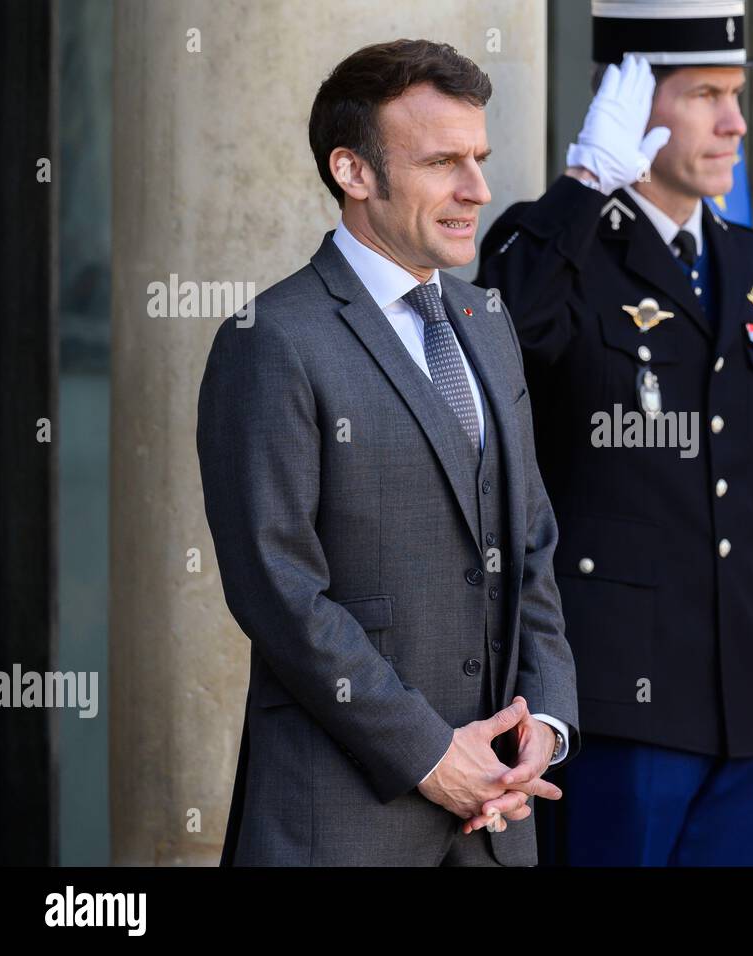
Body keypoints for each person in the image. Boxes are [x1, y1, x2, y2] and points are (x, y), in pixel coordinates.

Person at [197, 38, 578, 866]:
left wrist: (544, 721)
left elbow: (531, 544)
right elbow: (279, 590)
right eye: (444, 161)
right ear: (354, 172)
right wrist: (433, 756)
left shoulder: (488, 321)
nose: (477, 189)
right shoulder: (272, 341)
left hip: (498, 821)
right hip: (339, 824)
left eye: (478, 158)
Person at [476, 0, 753, 866]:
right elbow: (497, 344)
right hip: (614, 690)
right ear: (626, 102)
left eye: (737, 94)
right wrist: (586, 182)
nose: (735, 121)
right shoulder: (552, 245)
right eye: (705, 94)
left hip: (741, 694)